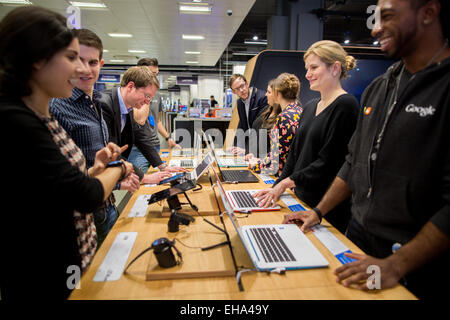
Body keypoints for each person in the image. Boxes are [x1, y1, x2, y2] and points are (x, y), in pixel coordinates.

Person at [283, 0, 450, 300]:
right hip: (359, 240)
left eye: (388, 16)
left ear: (428, 13)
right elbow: (353, 162)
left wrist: (397, 264)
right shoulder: (380, 87)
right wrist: (318, 212)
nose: (376, 28)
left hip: (410, 260)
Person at [0, 6, 134, 300]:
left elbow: (55, 185)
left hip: (72, 256)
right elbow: (82, 194)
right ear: (37, 60)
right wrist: (119, 169)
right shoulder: (16, 120)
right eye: (71, 58)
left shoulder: (40, 114)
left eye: (87, 60)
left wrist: (95, 168)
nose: (80, 70)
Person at [50, 29, 157, 248]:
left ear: (101, 64)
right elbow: (63, 181)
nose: (85, 69)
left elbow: (93, 163)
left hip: (105, 203)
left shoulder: (96, 104)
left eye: (92, 62)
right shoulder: (58, 107)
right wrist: (120, 172)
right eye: (78, 60)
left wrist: (117, 180)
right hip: (83, 216)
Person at [256, 40, 359, 234]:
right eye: (307, 68)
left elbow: (328, 163)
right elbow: (294, 155)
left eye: (313, 67)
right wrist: (277, 187)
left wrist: (287, 182)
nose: (307, 74)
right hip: (301, 199)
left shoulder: (346, 105)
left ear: (335, 68)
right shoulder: (311, 105)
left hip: (326, 207)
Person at [97, 66, 183, 181]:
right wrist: (145, 177)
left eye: (150, 98)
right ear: (131, 87)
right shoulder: (105, 105)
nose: (148, 102)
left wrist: (162, 166)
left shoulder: (128, 106)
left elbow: (140, 136)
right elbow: (110, 151)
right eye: (147, 96)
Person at [129, 57, 181, 172]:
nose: (155, 78)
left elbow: (157, 121)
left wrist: (168, 138)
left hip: (155, 145)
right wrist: (147, 96)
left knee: (157, 181)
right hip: (138, 148)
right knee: (140, 184)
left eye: (156, 74)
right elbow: (140, 119)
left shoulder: (156, 95)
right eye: (152, 74)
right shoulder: (132, 95)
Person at [247, 74, 303, 176]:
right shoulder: (298, 111)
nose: (266, 94)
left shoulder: (284, 117)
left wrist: (256, 165)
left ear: (276, 93)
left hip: (283, 176)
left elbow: (277, 160)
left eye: (269, 92)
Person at [228, 74, 268, 153]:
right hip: (250, 145)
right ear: (233, 92)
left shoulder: (262, 98)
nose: (241, 90)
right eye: (237, 89)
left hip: (262, 146)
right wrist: (235, 146)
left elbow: (260, 129)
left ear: (247, 83)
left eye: (242, 86)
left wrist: (246, 150)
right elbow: (243, 126)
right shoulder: (239, 103)